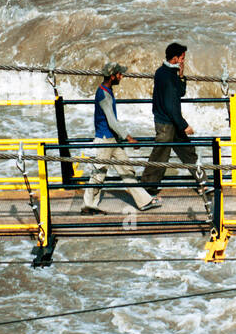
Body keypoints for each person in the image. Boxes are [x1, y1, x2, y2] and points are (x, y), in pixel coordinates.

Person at [82, 63, 162, 214]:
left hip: (113, 140)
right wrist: (129, 138)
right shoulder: (103, 94)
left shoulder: (107, 90)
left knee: (126, 170)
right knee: (98, 175)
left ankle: (144, 202)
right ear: (112, 76)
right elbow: (112, 121)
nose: (121, 77)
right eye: (119, 74)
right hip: (106, 140)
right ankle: (88, 205)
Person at [140, 42, 209, 196]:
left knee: (187, 152)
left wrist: (182, 75)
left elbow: (181, 92)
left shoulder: (164, 72)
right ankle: (146, 187)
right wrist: (184, 126)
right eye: (182, 58)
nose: (183, 60)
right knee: (160, 154)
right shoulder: (166, 77)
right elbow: (171, 105)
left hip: (170, 121)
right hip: (166, 123)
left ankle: (203, 183)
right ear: (175, 58)